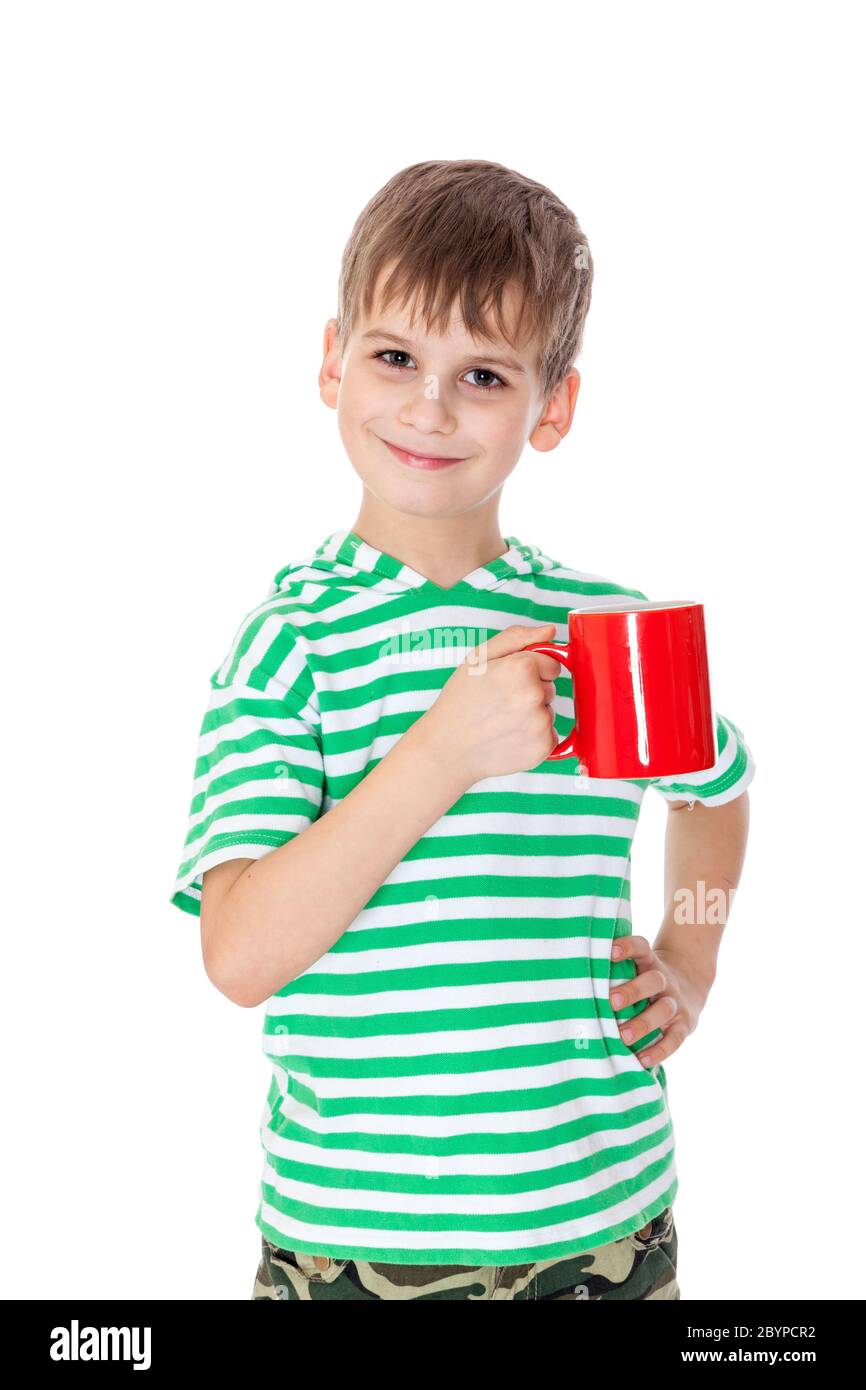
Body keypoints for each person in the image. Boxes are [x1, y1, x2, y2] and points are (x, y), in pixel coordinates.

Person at [169, 159, 754, 1301]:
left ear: (550, 408)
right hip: (351, 1243)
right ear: (333, 358)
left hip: (604, 1225)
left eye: (481, 373)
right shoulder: (288, 643)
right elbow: (239, 955)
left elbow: (716, 788)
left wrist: (688, 959)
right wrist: (439, 753)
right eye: (395, 356)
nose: (428, 407)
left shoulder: (608, 633)